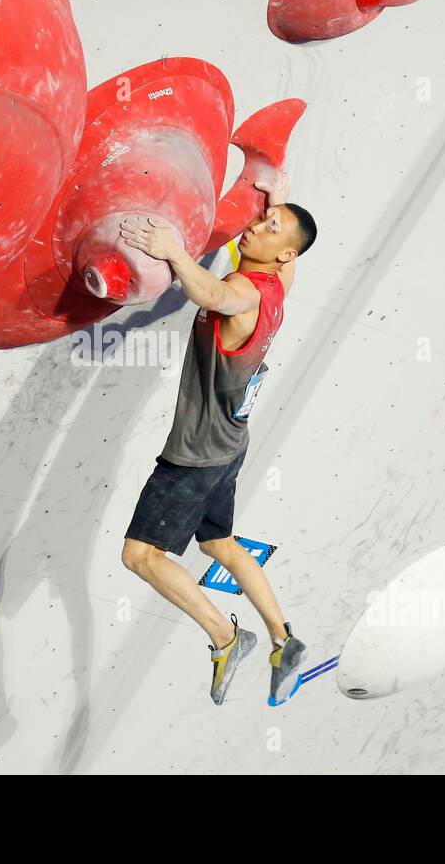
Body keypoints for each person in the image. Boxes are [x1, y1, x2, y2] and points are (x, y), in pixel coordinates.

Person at [117, 173, 318, 705]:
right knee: (218, 544)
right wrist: (275, 203)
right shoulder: (280, 282)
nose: (255, 227)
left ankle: (227, 638)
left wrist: (172, 252)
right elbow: (272, 257)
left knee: (140, 555)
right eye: (261, 220)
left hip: (197, 454)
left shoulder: (244, 293)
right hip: (232, 442)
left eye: (269, 228)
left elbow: (211, 292)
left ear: (284, 253)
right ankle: (283, 637)